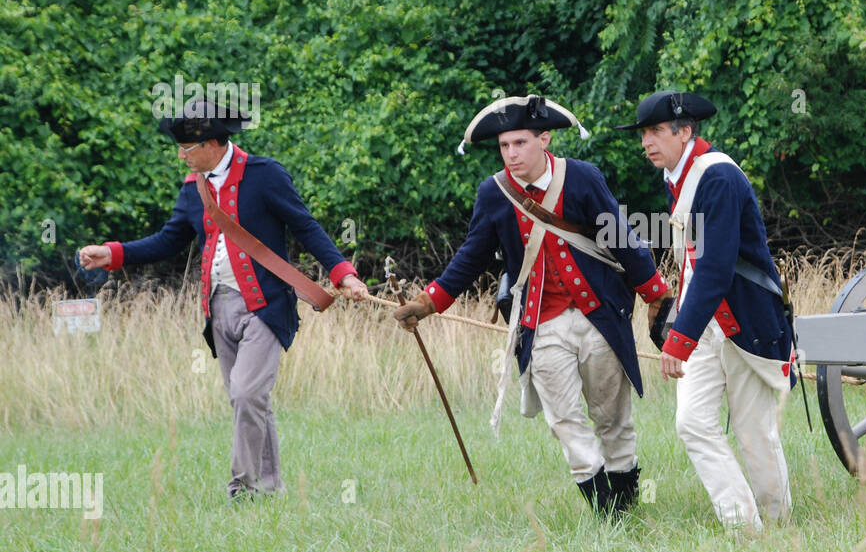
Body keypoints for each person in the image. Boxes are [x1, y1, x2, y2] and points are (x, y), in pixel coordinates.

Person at [393, 95, 668, 515]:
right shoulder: (494, 192)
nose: (511, 154)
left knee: (612, 419)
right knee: (563, 420)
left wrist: (654, 294)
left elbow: (622, 238)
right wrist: (429, 302)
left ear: (544, 139)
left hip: (599, 317)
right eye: (504, 146)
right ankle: (606, 514)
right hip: (542, 322)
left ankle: (627, 509)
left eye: (520, 143)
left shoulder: (582, 178)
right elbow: (471, 256)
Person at [79, 101, 368, 500]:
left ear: (213, 142)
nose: (181, 155)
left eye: (187, 147)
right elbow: (169, 240)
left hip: (265, 304)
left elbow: (306, 226)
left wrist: (343, 274)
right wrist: (115, 253)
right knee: (245, 399)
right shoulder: (191, 189)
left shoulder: (264, 175)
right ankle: (269, 489)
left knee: (249, 393)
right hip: (217, 308)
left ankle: (242, 488)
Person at [621, 90, 793, 532]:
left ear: (685, 131)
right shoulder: (675, 176)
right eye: (644, 133)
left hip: (744, 319)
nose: (647, 142)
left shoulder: (717, 177)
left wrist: (679, 339)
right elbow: (696, 264)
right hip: (704, 323)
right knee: (693, 423)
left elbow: (716, 267)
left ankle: (777, 525)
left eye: (656, 131)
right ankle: (743, 526)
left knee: (755, 432)